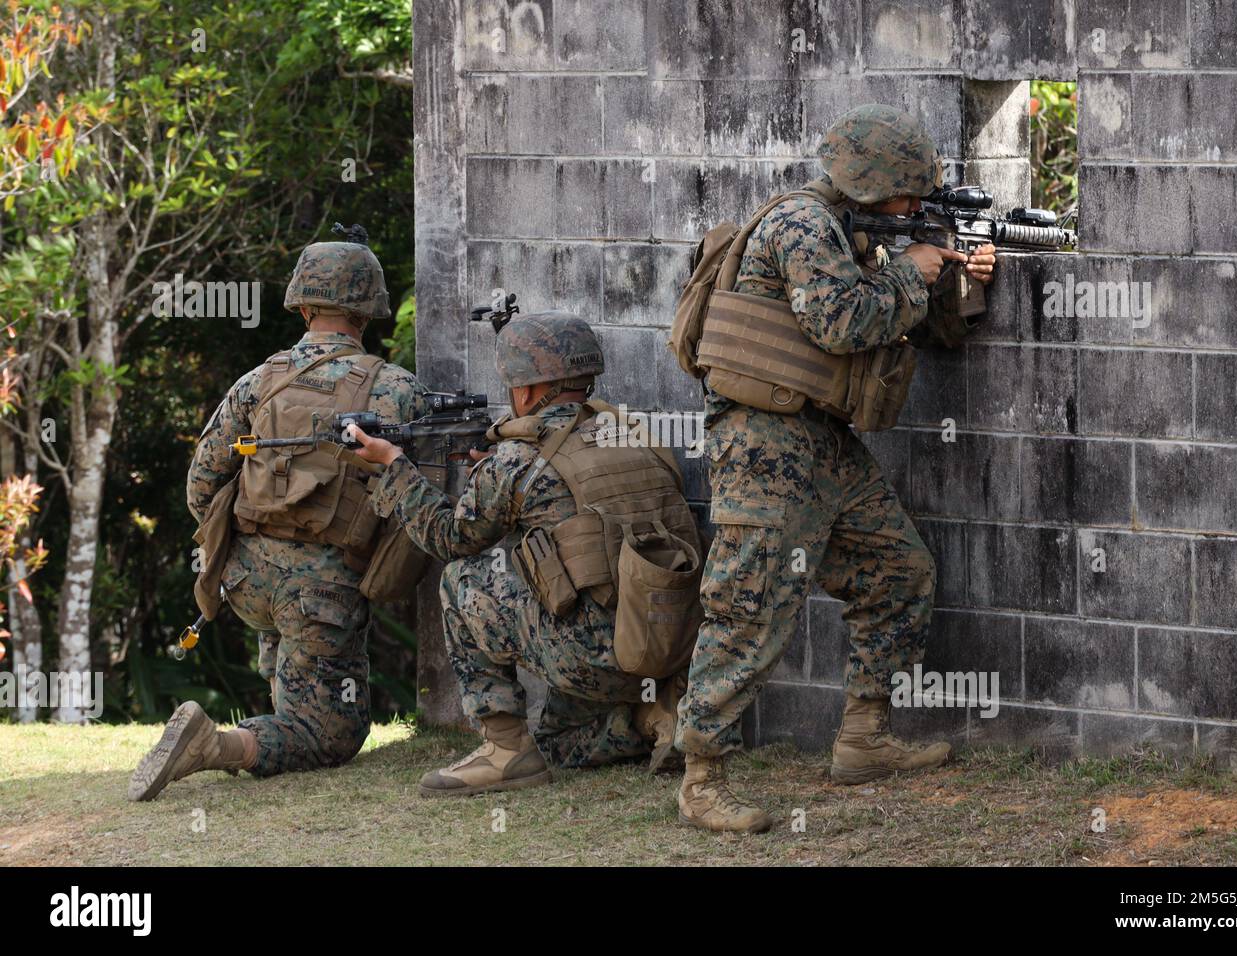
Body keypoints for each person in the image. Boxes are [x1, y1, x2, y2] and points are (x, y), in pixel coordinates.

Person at [675, 104, 999, 833]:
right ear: (870, 181)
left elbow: (931, 329)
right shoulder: (801, 224)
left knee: (898, 570)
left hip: (821, 441)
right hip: (761, 443)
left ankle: (862, 739)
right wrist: (914, 271)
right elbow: (841, 322)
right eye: (907, 195)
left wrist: (957, 276)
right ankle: (701, 776)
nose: (916, 208)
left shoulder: (867, 232)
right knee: (748, 605)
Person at [128, 224, 424, 801]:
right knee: (329, 736)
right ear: (368, 311)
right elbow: (418, 494)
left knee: (293, 669)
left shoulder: (258, 382)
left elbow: (202, 483)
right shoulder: (395, 389)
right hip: (324, 590)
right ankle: (216, 744)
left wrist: (249, 540)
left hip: (245, 581)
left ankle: (273, 717)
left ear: (304, 304)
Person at [351, 311, 698, 796]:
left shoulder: (519, 459)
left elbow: (449, 537)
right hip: (670, 647)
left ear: (527, 391)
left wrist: (394, 467)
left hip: (596, 659)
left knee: (463, 576)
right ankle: (651, 717)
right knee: (559, 743)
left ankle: (503, 748)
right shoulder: (634, 433)